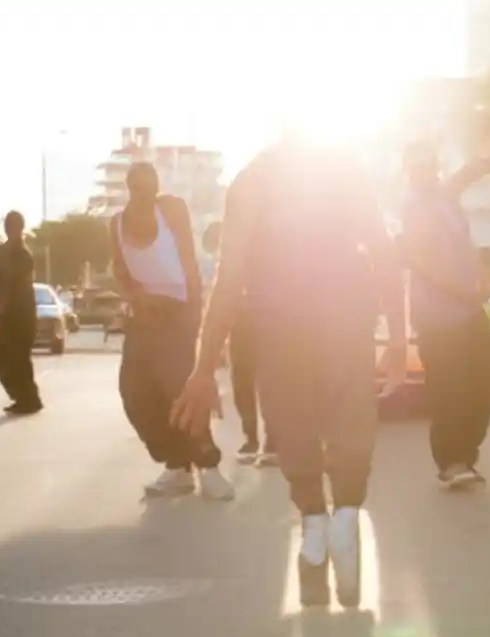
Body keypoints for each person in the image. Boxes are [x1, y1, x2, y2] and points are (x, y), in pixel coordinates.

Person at [171, 137, 407, 608]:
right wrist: (398, 336)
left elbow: (230, 279)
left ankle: (315, 531)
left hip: (278, 330)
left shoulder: (250, 183)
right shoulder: (344, 166)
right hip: (345, 321)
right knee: (350, 429)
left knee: (295, 436)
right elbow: (383, 252)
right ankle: (343, 521)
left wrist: (203, 368)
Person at [111, 162, 233, 501]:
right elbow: (121, 272)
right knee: (135, 393)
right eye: (139, 188)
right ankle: (177, 467)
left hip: (179, 313)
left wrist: (196, 314)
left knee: (181, 392)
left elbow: (189, 262)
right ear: (129, 187)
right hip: (143, 318)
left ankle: (209, 468)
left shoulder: (172, 209)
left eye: (151, 187)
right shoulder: (117, 223)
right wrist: (137, 300)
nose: (146, 193)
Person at [400, 142, 490, 488]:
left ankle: (466, 455)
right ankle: (451, 461)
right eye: (418, 166)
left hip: (468, 311)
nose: (426, 171)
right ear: (408, 170)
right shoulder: (414, 206)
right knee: (448, 389)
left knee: (485, 381)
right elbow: (419, 258)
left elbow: (465, 245)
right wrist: (460, 290)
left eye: (430, 163)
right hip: (436, 316)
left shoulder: (446, 199)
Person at [208, 221, 277, 465]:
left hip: (269, 321)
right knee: (241, 380)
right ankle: (251, 439)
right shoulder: (230, 256)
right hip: (239, 323)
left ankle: (272, 442)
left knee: (270, 381)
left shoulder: (271, 247)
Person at [0, 211, 43, 415]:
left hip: (22, 312)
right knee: (4, 356)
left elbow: (19, 284)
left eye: (13, 226)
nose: (10, 229)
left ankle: (29, 398)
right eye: (8, 225)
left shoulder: (23, 255)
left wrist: (5, 300)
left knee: (20, 357)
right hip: (7, 312)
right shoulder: (2, 252)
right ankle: (20, 395)